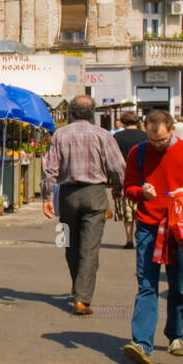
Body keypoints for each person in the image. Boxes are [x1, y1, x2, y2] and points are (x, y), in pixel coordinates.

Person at [120, 110, 183, 364]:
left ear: (172, 130)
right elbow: (127, 188)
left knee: (178, 284)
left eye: (161, 141)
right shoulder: (137, 153)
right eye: (152, 141)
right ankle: (141, 343)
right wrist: (141, 192)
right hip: (148, 226)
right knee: (147, 285)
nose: (157, 145)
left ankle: (176, 336)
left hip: (180, 227)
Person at [41, 95, 126, 314]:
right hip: (95, 195)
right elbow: (118, 168)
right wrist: (119, 189)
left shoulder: (60, 134)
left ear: (71, 113)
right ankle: (82, 298)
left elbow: (50, 170)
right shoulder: (103, 135)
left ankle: (78, 286)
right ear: (93, 113)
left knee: (70, 244)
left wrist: (47, 198)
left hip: (67, 196)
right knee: (90, 247)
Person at [111, 110, 147, 249]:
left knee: (127, 212)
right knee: (140, 211)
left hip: (124, 177)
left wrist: (116, 185)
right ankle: (141, 238)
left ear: (123, 122)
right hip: (142, 178)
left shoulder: (117, 136)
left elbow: (113, 160)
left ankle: (129, 239)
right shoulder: (145, 136)